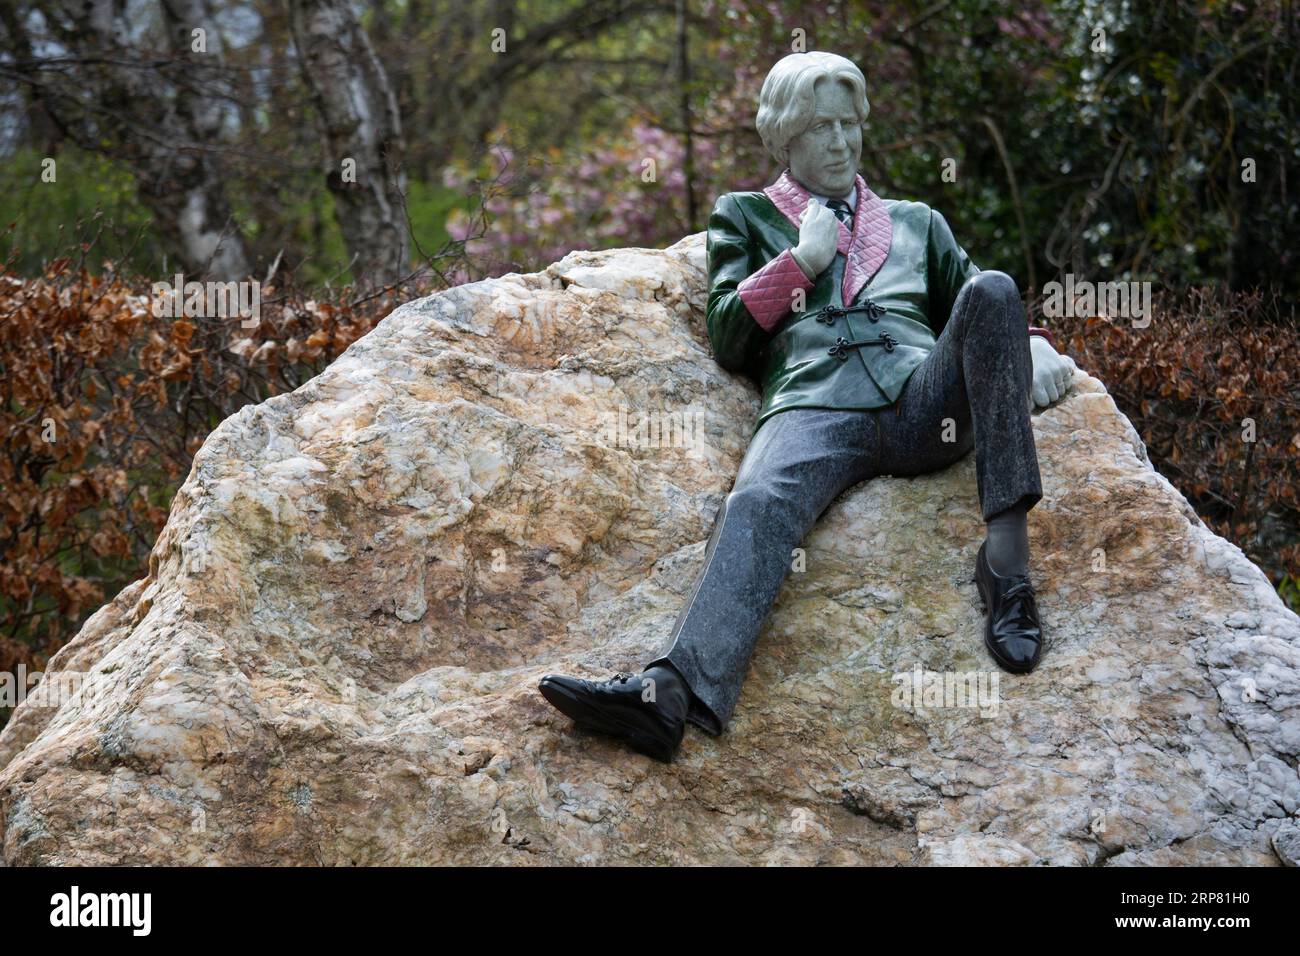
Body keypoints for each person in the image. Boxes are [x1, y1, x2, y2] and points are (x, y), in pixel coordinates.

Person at [538, 51, 1077, 762]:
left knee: (1000, 287)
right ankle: (670, 693)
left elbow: (982, 303)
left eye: (850, 124)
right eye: (821, 126)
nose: (841, 141)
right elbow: (729, 335)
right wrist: (801, 263)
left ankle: (1007, 572)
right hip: (814, 407)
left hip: (923, 402)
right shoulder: (747, 216)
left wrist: (1031, 344)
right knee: (759, 499)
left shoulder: (918, 222)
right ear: (784, 137)